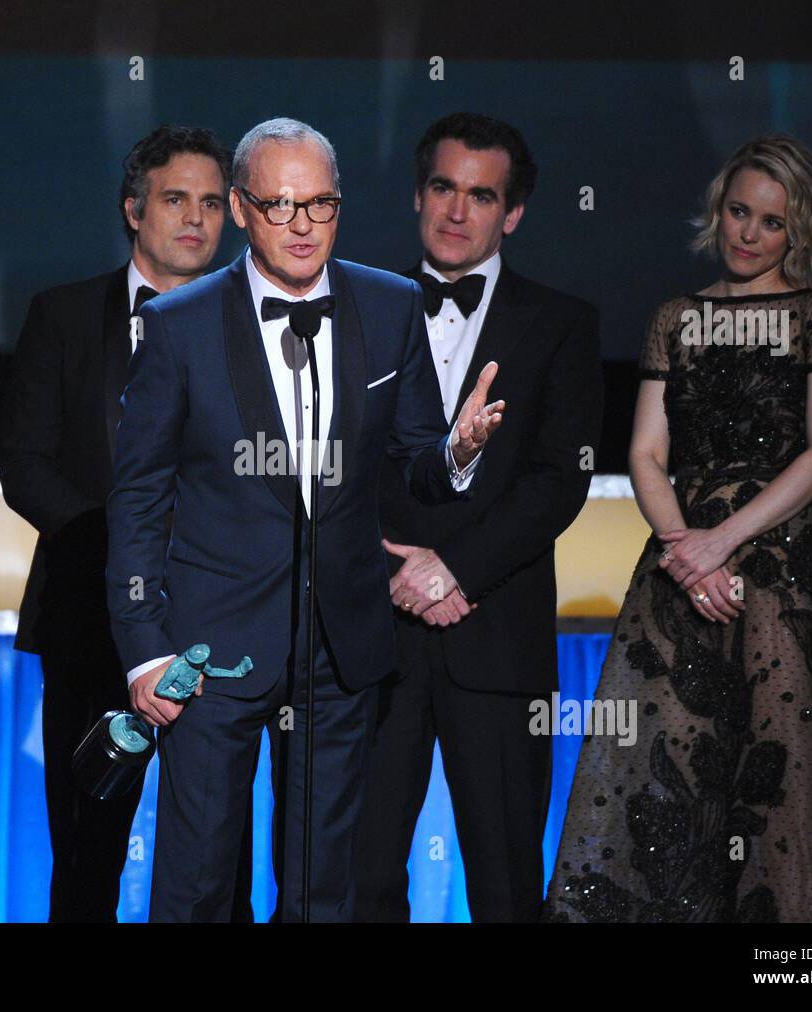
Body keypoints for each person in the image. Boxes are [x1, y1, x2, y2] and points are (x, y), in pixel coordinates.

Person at [105, 117, 506, 922]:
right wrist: (144, 649)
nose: (301, 226)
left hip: (341, 641)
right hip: (209, 647)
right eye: (280, 206)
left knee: (324, 882)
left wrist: (458, 452)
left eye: (319, 205)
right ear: (245, 210)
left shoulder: (391, 306)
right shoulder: (181, 324)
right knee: (199, 879)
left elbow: (414, 459)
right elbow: (139, 493)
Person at [541, 134, 812, 922]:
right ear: (719, 211)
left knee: (779, 787)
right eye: (739, 212)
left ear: (801, 231)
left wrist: (721, 543)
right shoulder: (675, 318)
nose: (749, 233)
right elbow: (646, 454)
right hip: (680, 576)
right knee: (666, 775)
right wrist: (688, 551)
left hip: (783, 572)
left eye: (772, 222)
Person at [0, 124, 256, 921]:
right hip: (92, 619)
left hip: (223, 627)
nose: (196, 218)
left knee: (220, 856)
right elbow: (26, 465)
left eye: (213, 203)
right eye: (176, 199)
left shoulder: (259, 324)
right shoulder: (65, 316)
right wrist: (124, 547)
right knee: (87, 856)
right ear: (133, 209)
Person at [354, 112, 602, 922]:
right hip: (371, 641)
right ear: (417, 195)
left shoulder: (562, 323)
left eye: (482, 195)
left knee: (503, 887)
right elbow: (328, 472)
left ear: (514, 212)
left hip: (496, 639)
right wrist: (398, 570)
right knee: (360, 881)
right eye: (443, 187)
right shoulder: (353, 309)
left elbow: (556, 483)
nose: (458, 211)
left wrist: (450, 569)